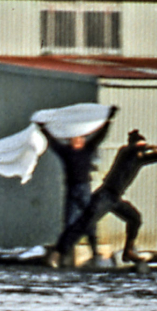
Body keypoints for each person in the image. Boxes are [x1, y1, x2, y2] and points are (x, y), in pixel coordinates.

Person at [47, 129, 157, 268]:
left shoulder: (139, 159)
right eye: (140, 145)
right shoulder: (125, 152)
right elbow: (134, 148)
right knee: (83, 224)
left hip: (115, 198)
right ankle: (58, 252)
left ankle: (128, 251)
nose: (142, 147)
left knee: (135, 218)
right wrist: (147, 146)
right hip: (104, 196)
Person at [35, 105, 117, 264]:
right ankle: (65, 255)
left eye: (80, 138)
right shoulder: (66, 152)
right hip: (72, 189)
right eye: (75, 139)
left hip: (84, 188)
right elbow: (53, 142)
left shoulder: (88, 150)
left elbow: (100, 136)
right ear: (71, 141)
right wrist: (43, 128)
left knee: (89, 220)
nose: (78, 141)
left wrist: (109, 119)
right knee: (70, 223)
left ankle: (95, 252)